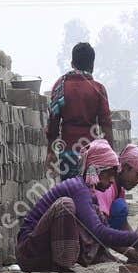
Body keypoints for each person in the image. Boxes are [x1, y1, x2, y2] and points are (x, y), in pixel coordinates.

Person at [17, 141, 138, 271]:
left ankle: (65, 261)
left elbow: (103, 229)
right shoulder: (78, 189)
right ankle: (61, 264)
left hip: (40, 250)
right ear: (95, 171)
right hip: (29, 253)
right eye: (109, 175)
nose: (113, 180)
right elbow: (99, 232)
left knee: (94, 214)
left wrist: (129, 252)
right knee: (66, 205)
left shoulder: (89, 192)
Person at [47, 42, 113, 180]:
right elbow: (106, 124)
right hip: (91, 152)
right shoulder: (98, 89)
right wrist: (110, 153)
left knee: (69, 190)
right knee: (91, 191)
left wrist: (51, 151)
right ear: (92, 65)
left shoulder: (61, 86)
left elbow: (53, 121)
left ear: (72, 63)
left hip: (67, 152)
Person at [93, 143, 138, 230]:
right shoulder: (107, 189)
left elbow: (124, 224)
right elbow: (98, 226)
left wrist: (136, 240)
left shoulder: (120, 190)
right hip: (97, 233)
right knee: (120, 206)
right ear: (125, 167)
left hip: (106, 232)